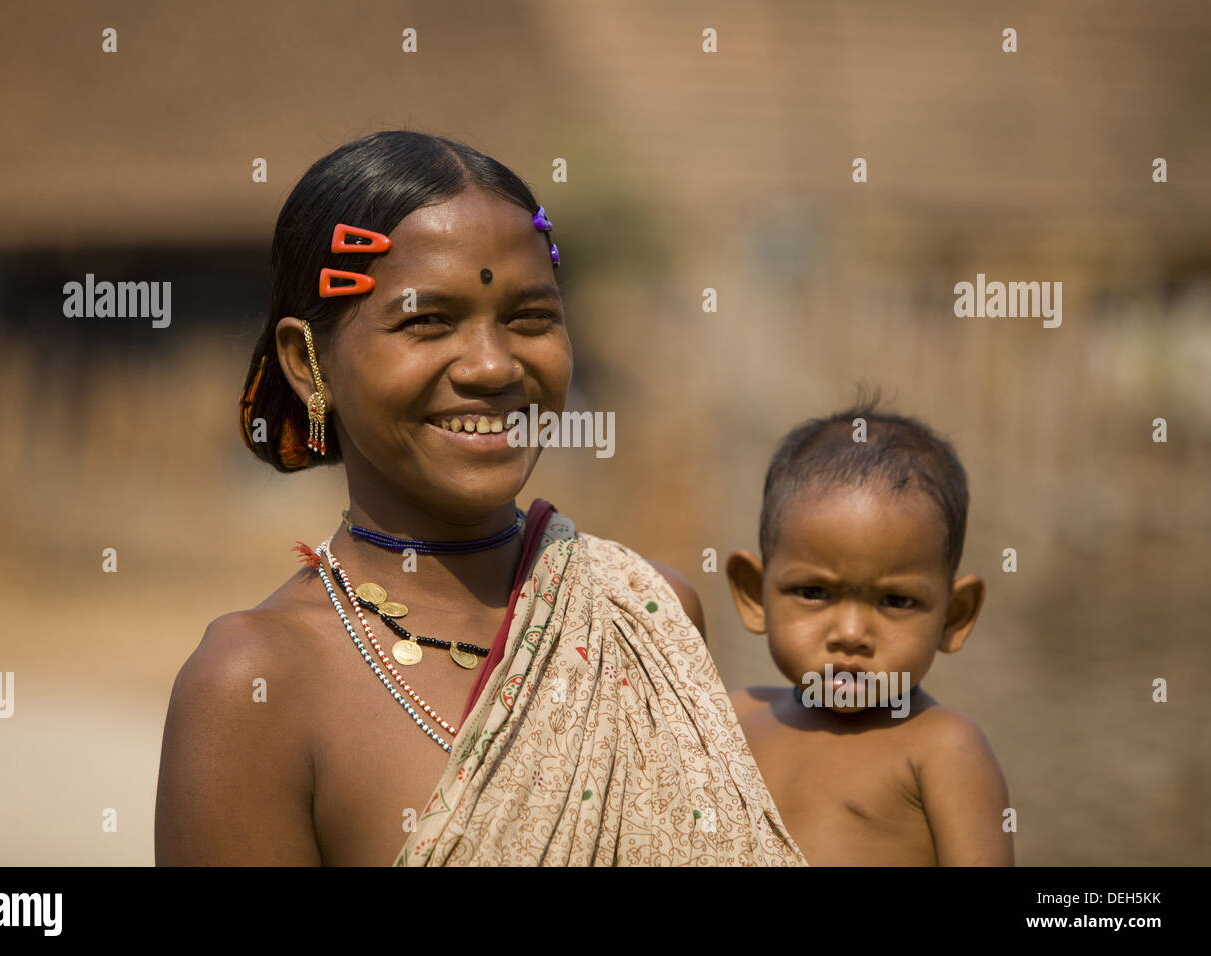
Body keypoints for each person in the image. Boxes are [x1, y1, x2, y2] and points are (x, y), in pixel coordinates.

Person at [153, 130, 805, 866]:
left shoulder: (646, 616)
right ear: (308, 363)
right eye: (427, 320)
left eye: (531, 319)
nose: (494, 366)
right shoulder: (255, 685)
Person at [725, 402, 1014, 865]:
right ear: (754, 595)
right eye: (814, 592)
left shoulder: (942, 747)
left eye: (896, 601)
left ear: (954, 616)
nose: (852, 633)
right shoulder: (732, 719)